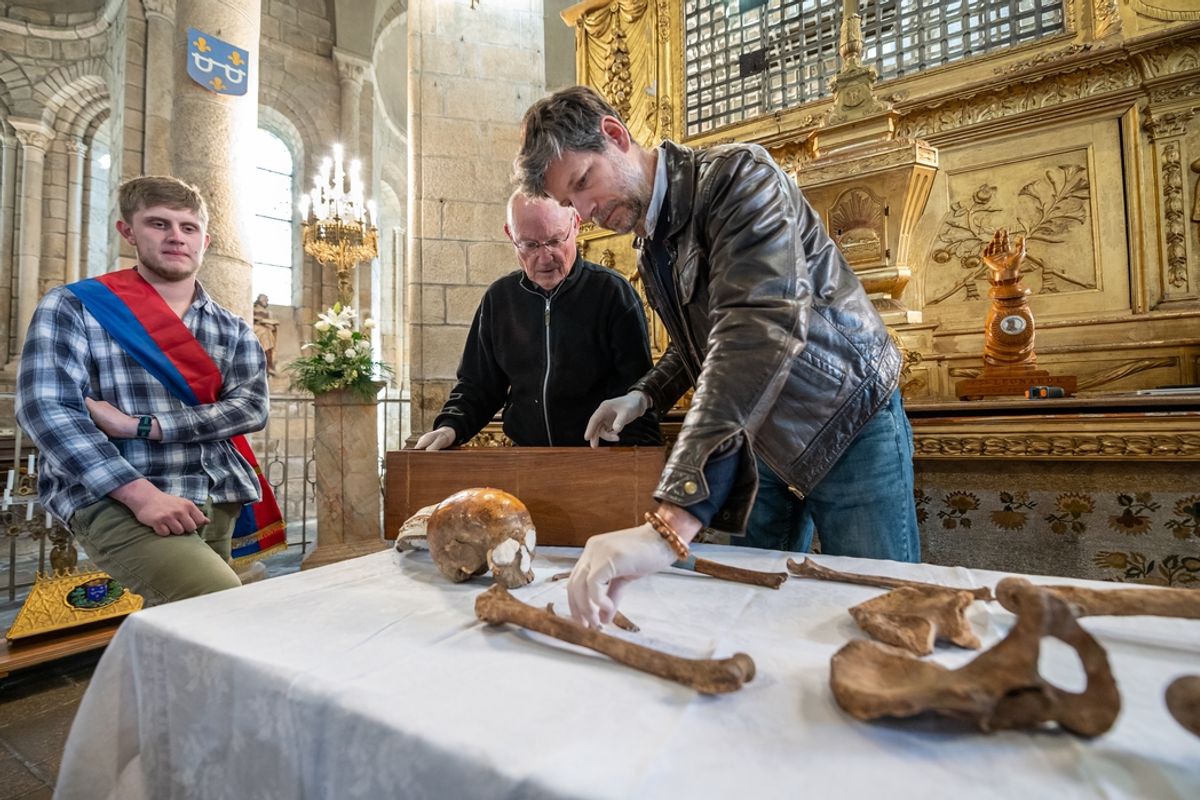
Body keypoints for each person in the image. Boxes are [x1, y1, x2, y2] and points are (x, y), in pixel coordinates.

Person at [514, 86, 920, 628]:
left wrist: (671, 524)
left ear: (615, 136)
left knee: (888, 609)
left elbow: (756, 324)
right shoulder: (651, 243)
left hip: (846, 422)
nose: (585, 212)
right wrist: (644, 395)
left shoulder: (738, 179)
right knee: (749, 610)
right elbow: (701, 342)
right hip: (760, 440)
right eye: (571, 202)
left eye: (584, 182)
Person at [16, 175, 274, 606]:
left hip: (216, 493)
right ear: (128, 231)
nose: (176, 237)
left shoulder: (231, 327)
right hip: (122, 494)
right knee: (221, 601)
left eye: (187, 228)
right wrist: (142, 495)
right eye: (159, 224)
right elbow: (47, 408)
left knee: (186, 636)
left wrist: (144, 426)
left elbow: (251, 409)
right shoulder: (75, 306)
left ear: (204, 240)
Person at [413, 190, 662, 450]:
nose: (544, 258)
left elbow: (638, 390)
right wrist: (451, 426)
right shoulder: (500, 299)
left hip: (599, 458)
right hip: (526, 458)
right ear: (511, 235)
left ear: (575, 224)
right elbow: (478, 385)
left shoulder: (613, 293)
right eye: (530, 245)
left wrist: (636, 467)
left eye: (555, 241)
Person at [252, 292, 280, 376]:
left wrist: (265, 321)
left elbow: (273, 323)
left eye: (266, 299)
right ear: (258, 299)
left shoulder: (268, 312)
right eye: (263, 298)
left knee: (267, 333)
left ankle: (268, 364)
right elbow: (252, 319)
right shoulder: (253, 309)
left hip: (266, 331)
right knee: (264, 332)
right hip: (256, 329)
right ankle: (268, 365)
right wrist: (261, 321)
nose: (266, 300)